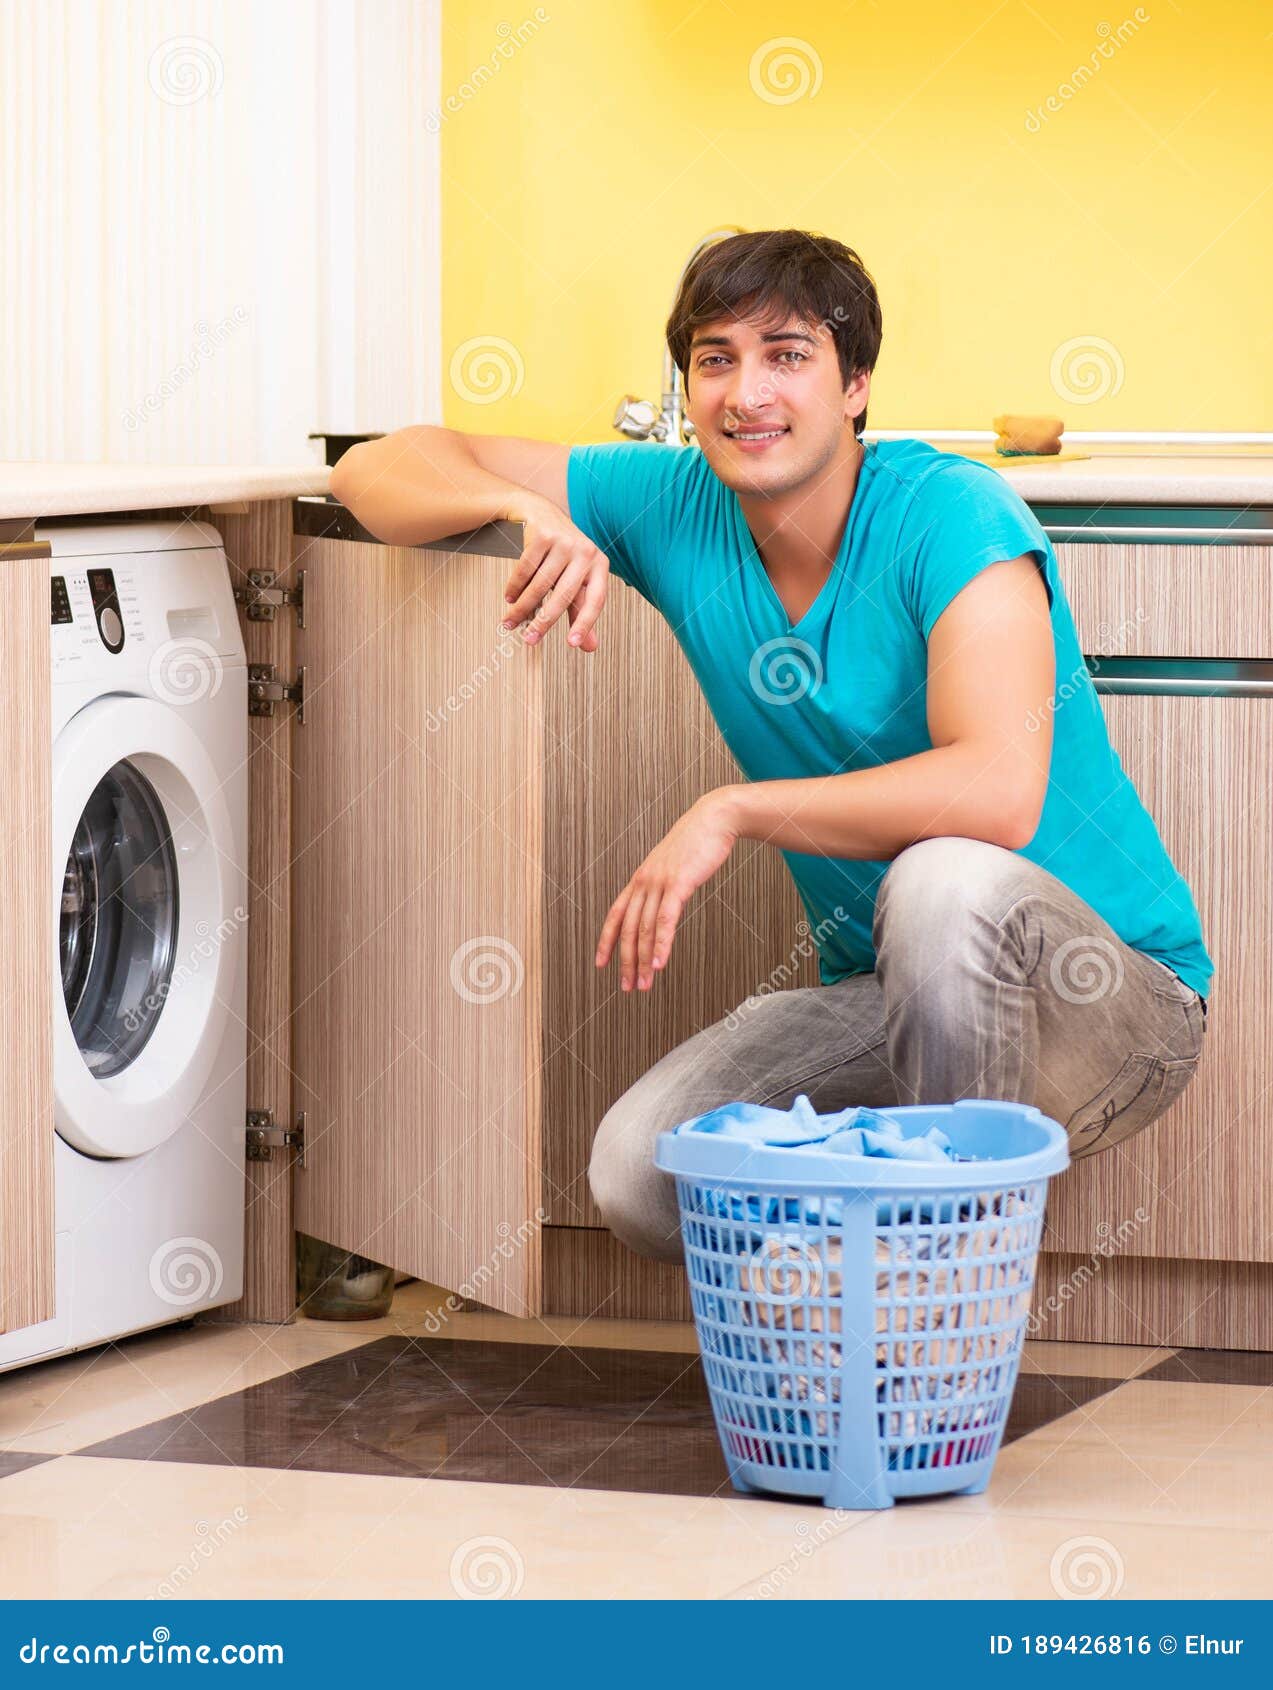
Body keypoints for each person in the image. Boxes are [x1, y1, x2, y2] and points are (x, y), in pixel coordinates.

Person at [331, 228, 1212, 1266]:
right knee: (644, 1172)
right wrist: (519, 507)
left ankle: (936, 1332)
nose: (745, 391)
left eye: (786, 353)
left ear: (855, 385)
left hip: (1111, 1002)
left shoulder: (949, 512)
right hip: (892, 996)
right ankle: (855, 1318)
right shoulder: (671, 503)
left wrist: (734, 809)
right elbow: (375, 467)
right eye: (715, 358)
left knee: (943, 879)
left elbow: (996, 790)